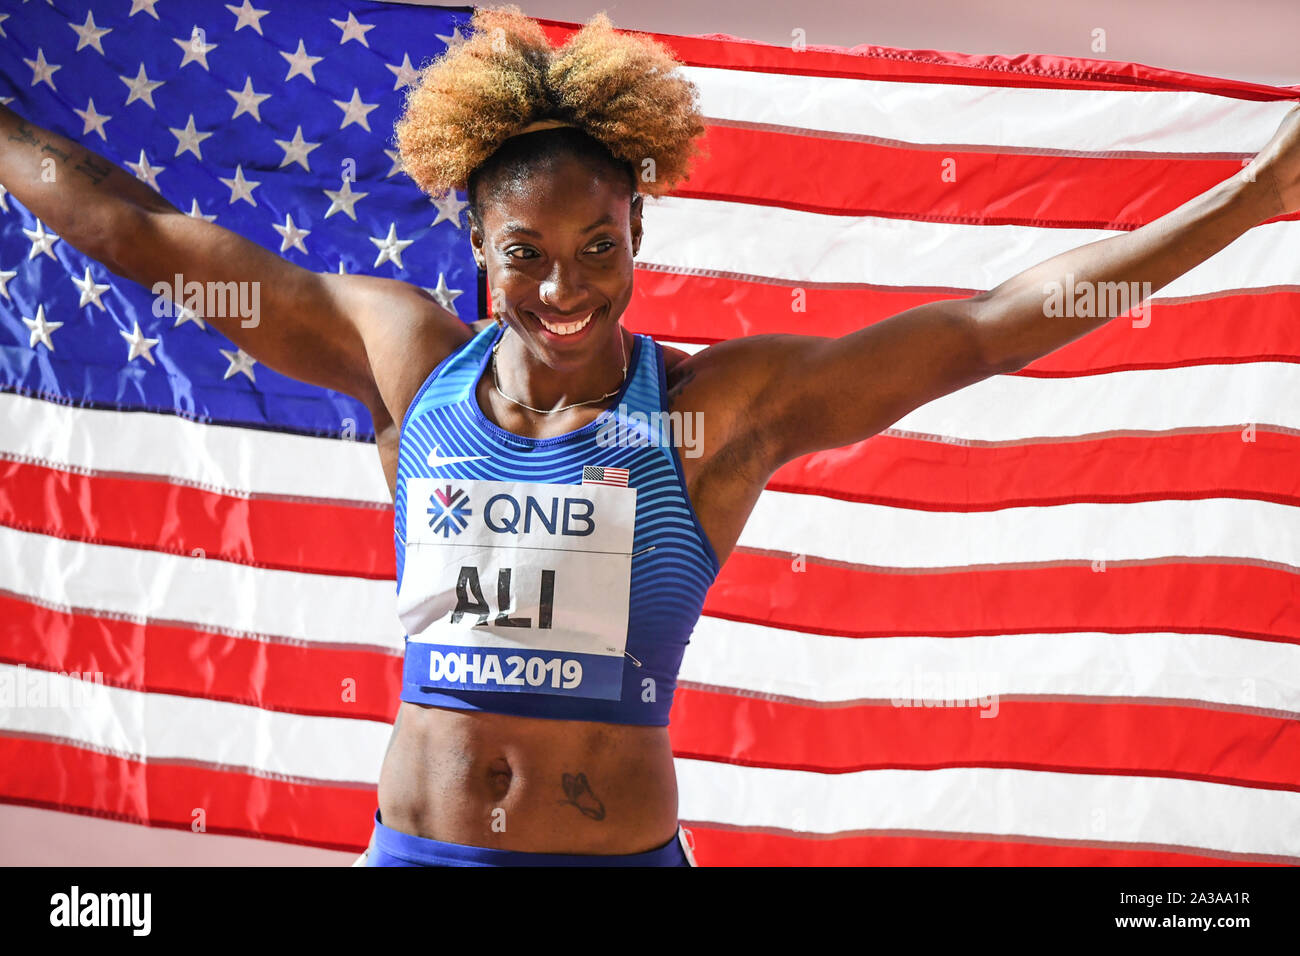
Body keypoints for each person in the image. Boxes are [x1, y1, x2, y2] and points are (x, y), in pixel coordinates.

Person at [2, 4, 1297, 867]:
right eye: (528, 254)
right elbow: (155, 243)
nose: (564, 287)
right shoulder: (404, 361)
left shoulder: (711, 414)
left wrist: (1241, 207)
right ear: (476, 249)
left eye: (596, 250)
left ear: (639, 238)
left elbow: (987, 327)